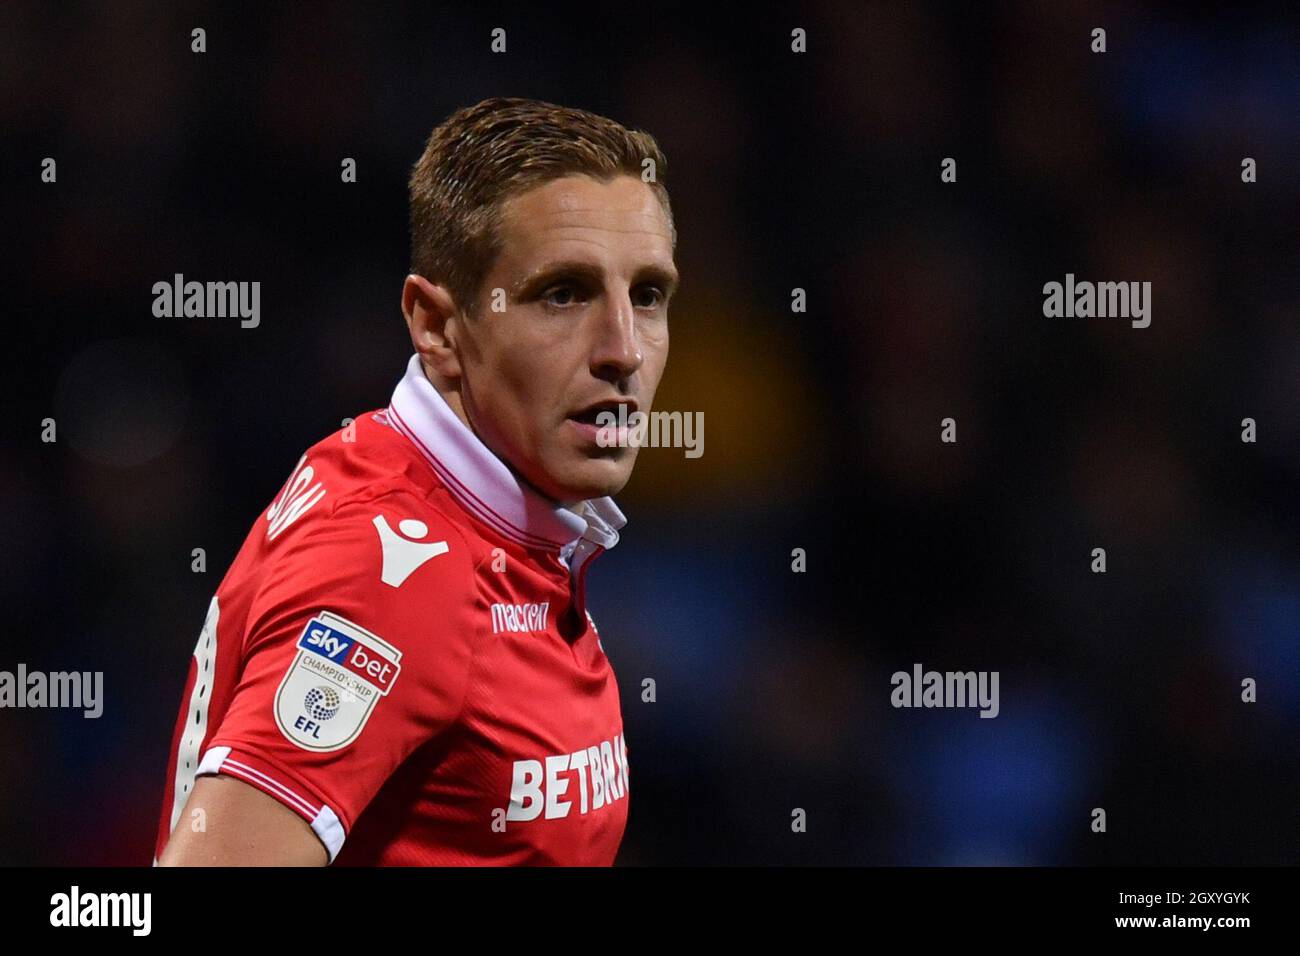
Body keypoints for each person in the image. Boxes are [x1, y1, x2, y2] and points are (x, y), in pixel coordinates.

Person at [154, 96, 678, 865]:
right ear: (435, 326)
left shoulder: (472, 509)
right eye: (562, 293)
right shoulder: (391, 573)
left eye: (647, 294)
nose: (623, 349)